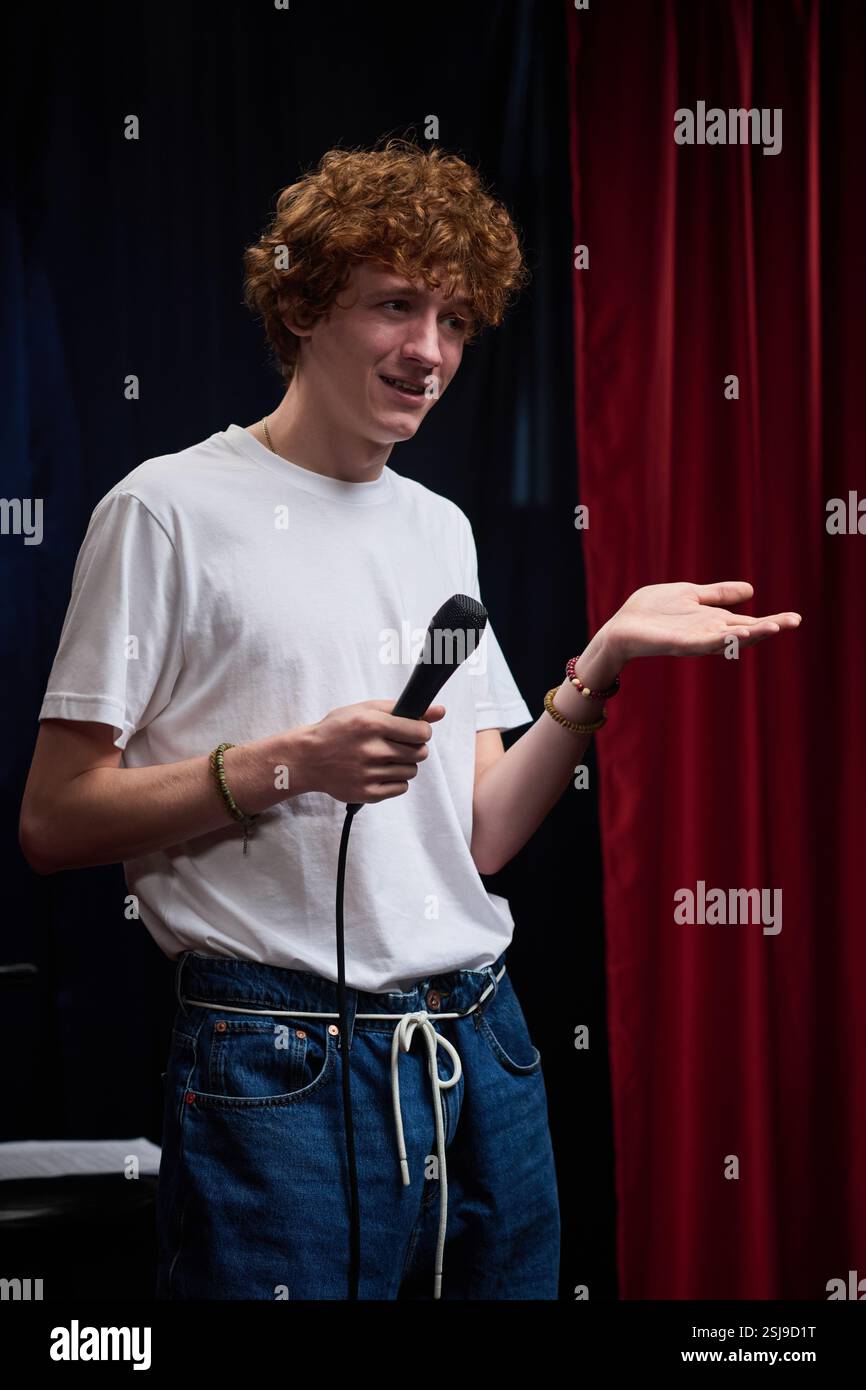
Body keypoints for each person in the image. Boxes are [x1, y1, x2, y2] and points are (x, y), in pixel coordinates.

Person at [20, 138, 800, 1301]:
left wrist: (596, 667)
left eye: (452, 320)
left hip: (482, 1051)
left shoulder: (438, 527)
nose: (428, 352)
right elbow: (54, 820)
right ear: (301, 305)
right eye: (395, 306)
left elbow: (476, 836)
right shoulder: (166, 509)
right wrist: (288, 765)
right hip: (274, 1067)